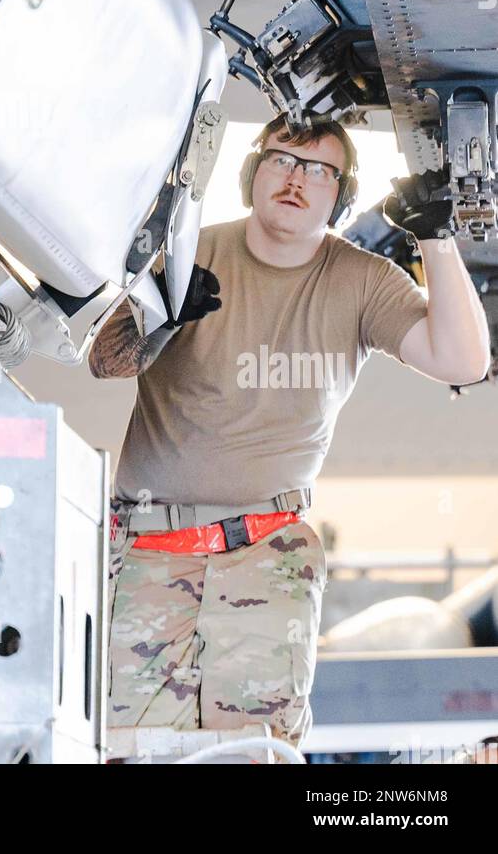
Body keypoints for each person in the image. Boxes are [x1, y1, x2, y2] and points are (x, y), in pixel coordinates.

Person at [90, 113, 491, 747]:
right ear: (252, 172)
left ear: (341, 195)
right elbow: (103, 363)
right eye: (282, 159)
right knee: (125, 747)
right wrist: (159, 316)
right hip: (149, 549)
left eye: (319, 171)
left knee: (254, 750)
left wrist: (436, 240)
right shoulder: (188, 253)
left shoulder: (361, 280)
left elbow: (464, 361)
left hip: (268, 551)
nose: (296, 179)